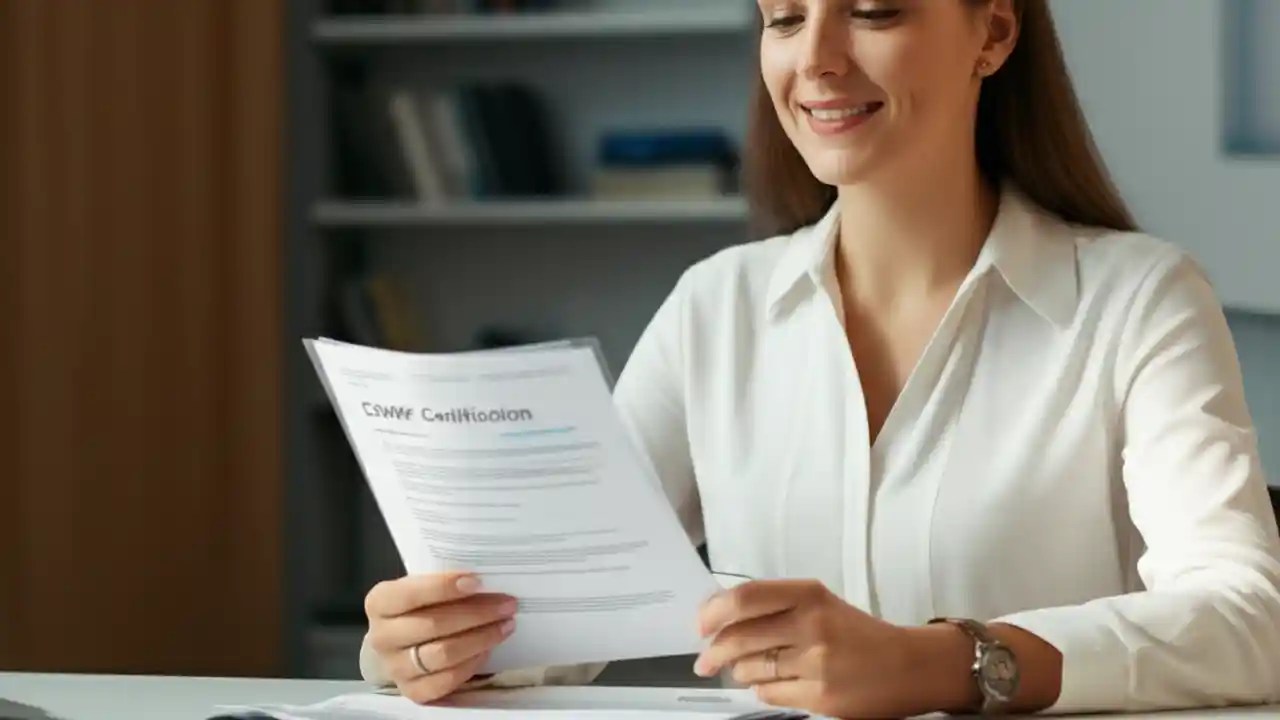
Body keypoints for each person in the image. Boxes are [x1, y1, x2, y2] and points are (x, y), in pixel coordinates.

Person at [357, 0, 1280, 716]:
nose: (817, 58)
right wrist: (429, 644)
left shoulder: (1139, 298)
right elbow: (561, 615)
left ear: (993, 32)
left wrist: (947, 663)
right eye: (784, 18)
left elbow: (1247, 619)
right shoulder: (715, 308)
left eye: (873, 11)